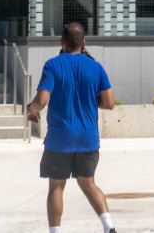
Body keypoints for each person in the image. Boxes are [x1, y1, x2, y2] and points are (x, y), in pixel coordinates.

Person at [25, 23, 116, 233]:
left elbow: (42, 100)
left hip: (60, 139)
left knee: (56, 186)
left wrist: (31, 109)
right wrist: (92, 102)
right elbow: (109, 103)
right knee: (89, 183)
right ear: (83, 43)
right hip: (88, 138)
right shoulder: (96, 67)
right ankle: (108, 227)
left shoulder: (53, 65)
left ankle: (55, 231)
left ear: (62, 42)